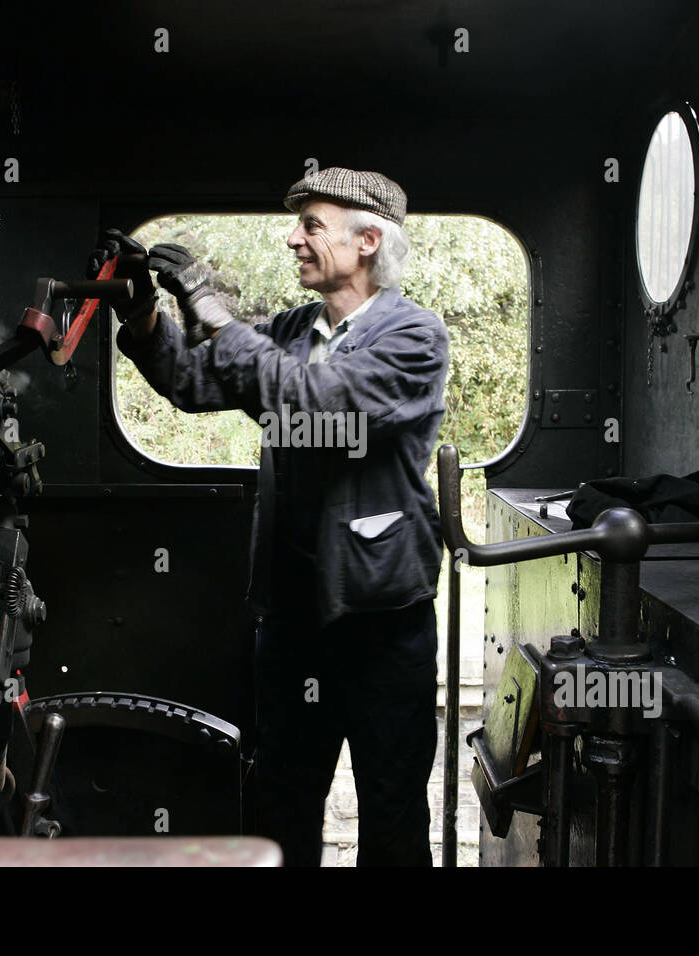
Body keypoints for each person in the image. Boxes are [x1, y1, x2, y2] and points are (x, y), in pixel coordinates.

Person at [103, 167, 450, 866]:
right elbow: (194, 382)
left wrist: (214, 309)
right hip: (291, 623)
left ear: (367, 241)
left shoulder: (415, 338)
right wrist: (144, 313)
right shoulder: (293, 329)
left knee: (391, 812)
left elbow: (316, 401)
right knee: (280, 803)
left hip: (382, 625)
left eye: (311, 225)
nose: (293, 238)